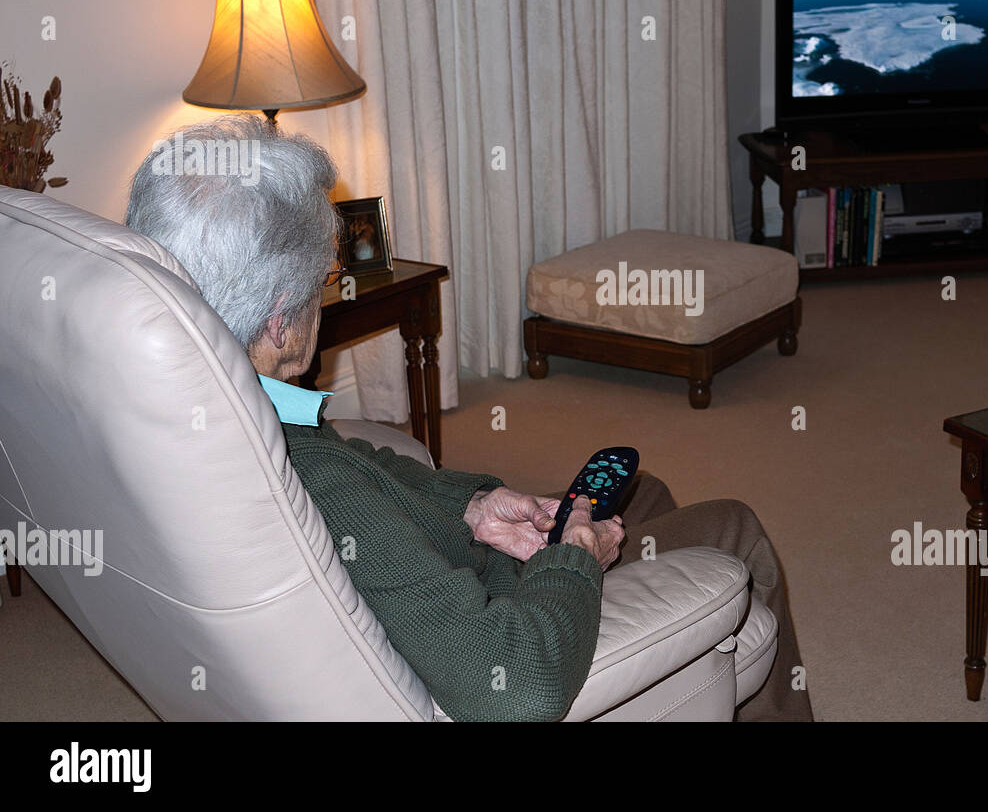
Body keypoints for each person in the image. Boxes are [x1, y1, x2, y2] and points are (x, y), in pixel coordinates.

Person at [125, 115, 811, 722]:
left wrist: (473, 504)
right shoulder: (311, 482)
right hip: (498, 618)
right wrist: (573, 559)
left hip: (452, 566)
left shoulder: (200, 407)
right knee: (734, 527)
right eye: (320, 286)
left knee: (643, 492)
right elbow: (510, 690)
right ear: (278, 320)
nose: (323, 303)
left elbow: (363, 466)